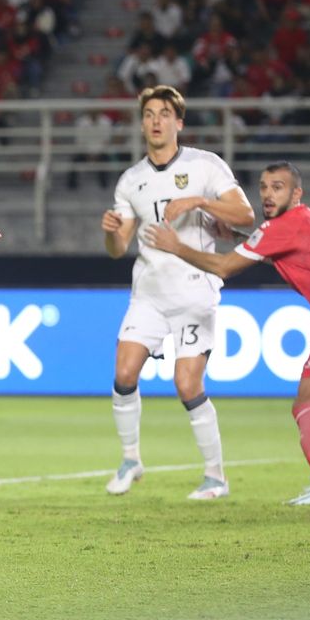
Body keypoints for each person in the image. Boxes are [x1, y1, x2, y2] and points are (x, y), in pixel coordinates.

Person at [146, 162, 310, 505]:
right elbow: (284, 253)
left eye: (278, 187)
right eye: (263, 187)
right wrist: (240, 238)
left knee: (307, 404)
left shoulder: (283, 226)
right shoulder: (309, 221)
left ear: (296, 193)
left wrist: (176, 246)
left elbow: (226, 267)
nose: (268, 195)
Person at [101, 85, 254, 499]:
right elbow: (118, 250)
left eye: (164, 113)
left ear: (178, 122)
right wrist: (112, 235)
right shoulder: (131, 180)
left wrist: (196, 202)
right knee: (123, 373)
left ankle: (215, 476)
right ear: (142, 124)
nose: (156, 120)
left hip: (193, 292)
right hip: (148, 292)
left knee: (187, 385)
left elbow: (245, 214)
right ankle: (131, 459)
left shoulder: (206, 167)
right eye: (149, 114)